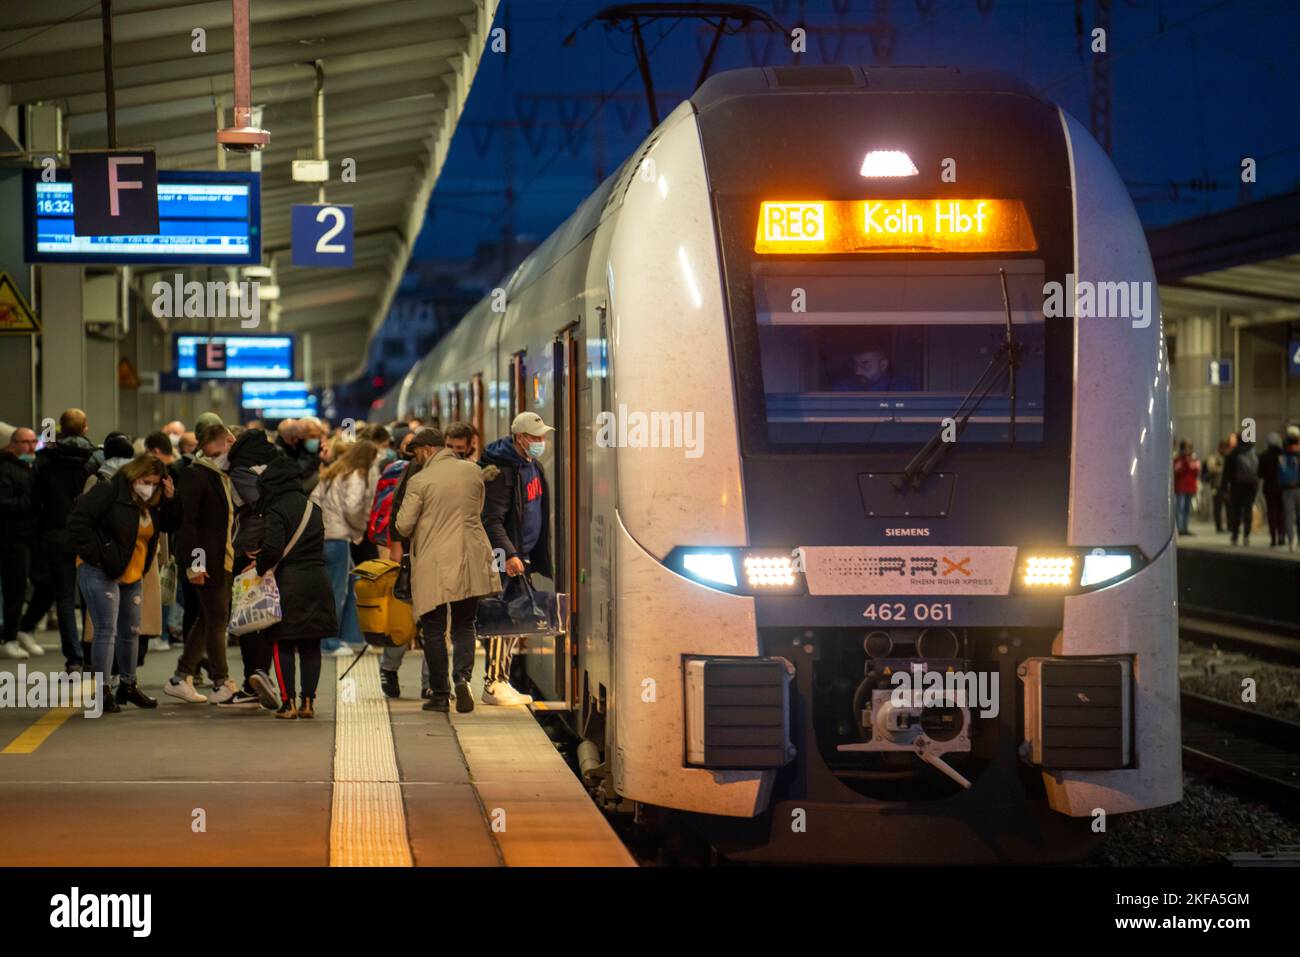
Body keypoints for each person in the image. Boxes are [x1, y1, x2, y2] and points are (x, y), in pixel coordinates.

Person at [394, 427, 498, 714]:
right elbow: (477, 509)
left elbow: (402, 525)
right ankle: (463, 678)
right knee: (465, 623)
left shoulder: (420, 480)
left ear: (427, 450)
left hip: (435, 561)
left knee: (434, 630)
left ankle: (441, 694)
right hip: (472, 556)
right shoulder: (472, 471)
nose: (416, 458)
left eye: (416, 452)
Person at [66, 454, 180, 712]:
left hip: (132, 572)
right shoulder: (108, 491)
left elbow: (172, 525)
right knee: (106, 630)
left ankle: (127, 685)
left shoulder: (152, 501)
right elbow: (76, 523)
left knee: (131, 630)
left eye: (154, 483)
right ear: (133, 475)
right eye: (144, 480)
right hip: (100, 570)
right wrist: (98, 555)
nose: (148, 486)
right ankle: (102, 690)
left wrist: (172, 498)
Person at [478, 412, 556, 706]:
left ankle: (502, 678)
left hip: (522, 554)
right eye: (536, 437)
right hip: (507, 555)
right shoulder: (502, 471)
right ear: (520, 438)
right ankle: (493, 683)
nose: (541, 442)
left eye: (543, 436)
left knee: (514, 617)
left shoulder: (531, 465)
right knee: (505, 616)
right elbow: (492, 519)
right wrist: (509, 554)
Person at [254, 455, 337, 718]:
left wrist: (259, 567)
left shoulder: (277, 508)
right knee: (311, 644)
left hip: (289, 582)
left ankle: (288, 703)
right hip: (317, 580)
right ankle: (308, 702)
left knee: (283, 643)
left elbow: (273, 548)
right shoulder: (314, 508)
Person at [166, 422, 237, 704]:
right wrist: (196, 565)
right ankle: (222, 682)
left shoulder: (223, 474)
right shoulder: (197, 475)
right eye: (230, 444)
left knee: (207, 618)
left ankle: (180, 676)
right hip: (207, 559)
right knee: (217, 619)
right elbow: (189, 525)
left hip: (224, 557)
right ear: (224, 442)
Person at [22, 409, 96, 672]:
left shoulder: (46, 459)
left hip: (55, 533)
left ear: (62, 428)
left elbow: (31, 498)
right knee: (90, 596)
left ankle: (74, 658)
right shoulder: (93, 458)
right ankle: (91, 655)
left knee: (64, 596)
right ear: (85, 428)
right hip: (87, 534)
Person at [220, 428, 283, 710]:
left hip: (249, 552)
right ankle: (262, 674)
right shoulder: (279, 466)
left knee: (246, 615)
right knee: (268, 613)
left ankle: (251, 680)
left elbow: (257, 505)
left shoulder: (241, 470)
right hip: (275, 549)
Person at [373, 429, 437, 699]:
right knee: (404, 620)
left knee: (434, 623)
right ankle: (389, 668)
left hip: (437, 557)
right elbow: (396, 516)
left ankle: (430, 682)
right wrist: (395, 553)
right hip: (411, 558)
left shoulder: (443, 473)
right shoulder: (405, 473)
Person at [312, 438, 377, 657]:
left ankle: (348, 636)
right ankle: (329, 642)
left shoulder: (332, 473)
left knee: (346, 584)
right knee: (336, 592)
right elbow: (353, 506)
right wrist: (360, 528)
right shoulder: (357, 475)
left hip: (324, 536)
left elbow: (315, 500)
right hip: (338, 539)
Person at [0, 424, 43, 660]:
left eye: (33, 441)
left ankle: (23, 630)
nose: (31, 446)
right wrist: (30, 502)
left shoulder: (31, 467)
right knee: (14, 589)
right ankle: (11, 638)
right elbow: (5, 502)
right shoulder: (6, 468)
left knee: (38, 584)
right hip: (12, 537)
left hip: (29, 536)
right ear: (13, 444)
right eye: (26, 442)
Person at [139, 432, 178, 657]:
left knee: (165, 592)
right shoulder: (120, 492)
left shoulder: (168, 482)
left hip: (155, 552)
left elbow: (169, 522)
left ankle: (160, 635)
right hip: (134, 559)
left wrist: (170, 498)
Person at [1220, 436, 1259, 546]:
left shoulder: (1232, 455)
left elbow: (1226, 473)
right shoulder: (1254, 453)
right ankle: (1246, 535)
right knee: (1248, 509)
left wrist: (1223, 488)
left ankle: (1235, 535)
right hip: (1251, 486)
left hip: (1236, 486)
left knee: (1235, 511)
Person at [276, 416, 325, 493]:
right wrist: (315, 457)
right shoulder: (279, 451)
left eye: (318, 436)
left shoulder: (299, 446)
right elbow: (299, 472)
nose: (316, 440)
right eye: (312, 436)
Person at [831, 348, 918, 392]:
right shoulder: (844, 387)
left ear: (883, 365)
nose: (857, 371)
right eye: (855, 364)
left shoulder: (904, 389)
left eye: (865, 364)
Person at [1258, 433, 1286, 547]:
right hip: (1283, 487)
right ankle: (1282, 536)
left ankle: (1273, 537)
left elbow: (1259, 473)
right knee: (1282, 512)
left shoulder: (1263, 456)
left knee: (1271, 512)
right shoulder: (1283, 455)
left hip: (1269, 488)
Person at [1172, 441, 1200, 536]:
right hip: (1181, 488)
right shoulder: (1178, 459)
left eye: (1190, 448)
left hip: (1190, 487)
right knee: (1180, 508)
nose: (1188, 450)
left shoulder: (1194, 459)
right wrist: (1185, 462)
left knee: (1187, 509)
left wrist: (1190, 462)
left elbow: (1196, 471)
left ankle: (1185, 528)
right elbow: (1177, 471)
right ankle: (1180, 528)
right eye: (1187, 448)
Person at [1279, 432, 1300, 552]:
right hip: (1299, 488)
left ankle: (1291, 541)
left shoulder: (1282, 456)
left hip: (1286, 489)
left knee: (1288, 516)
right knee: (1299, 516)